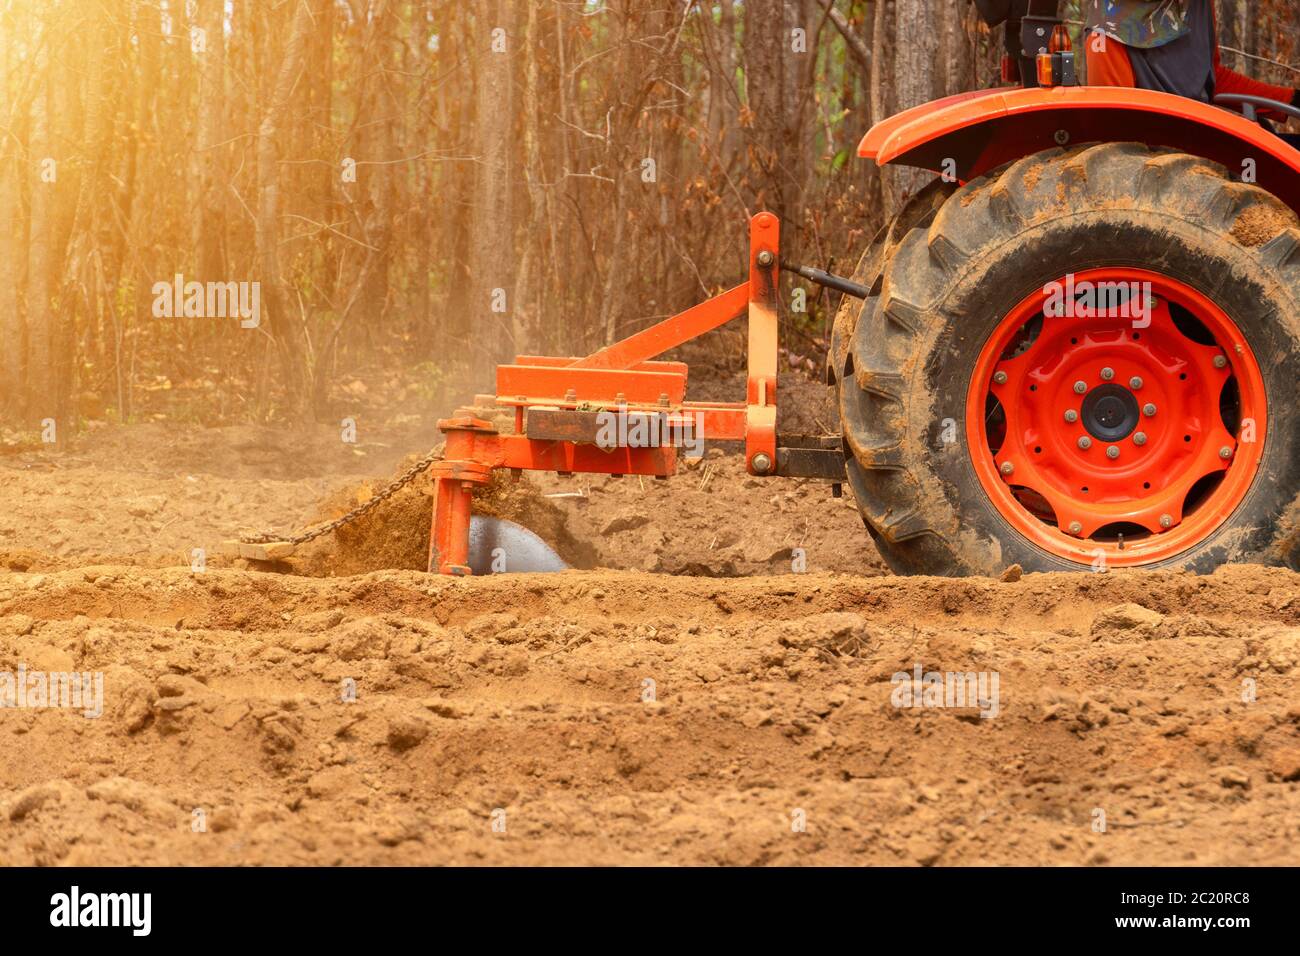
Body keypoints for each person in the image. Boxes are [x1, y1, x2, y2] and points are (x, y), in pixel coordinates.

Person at [1083, 0, 1298, 111]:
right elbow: (1117, 132)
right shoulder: (1105, 32)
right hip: (1155, 157)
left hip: (1200, 133)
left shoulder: (1196, 5)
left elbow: (1210, 80)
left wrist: (1290, 99)